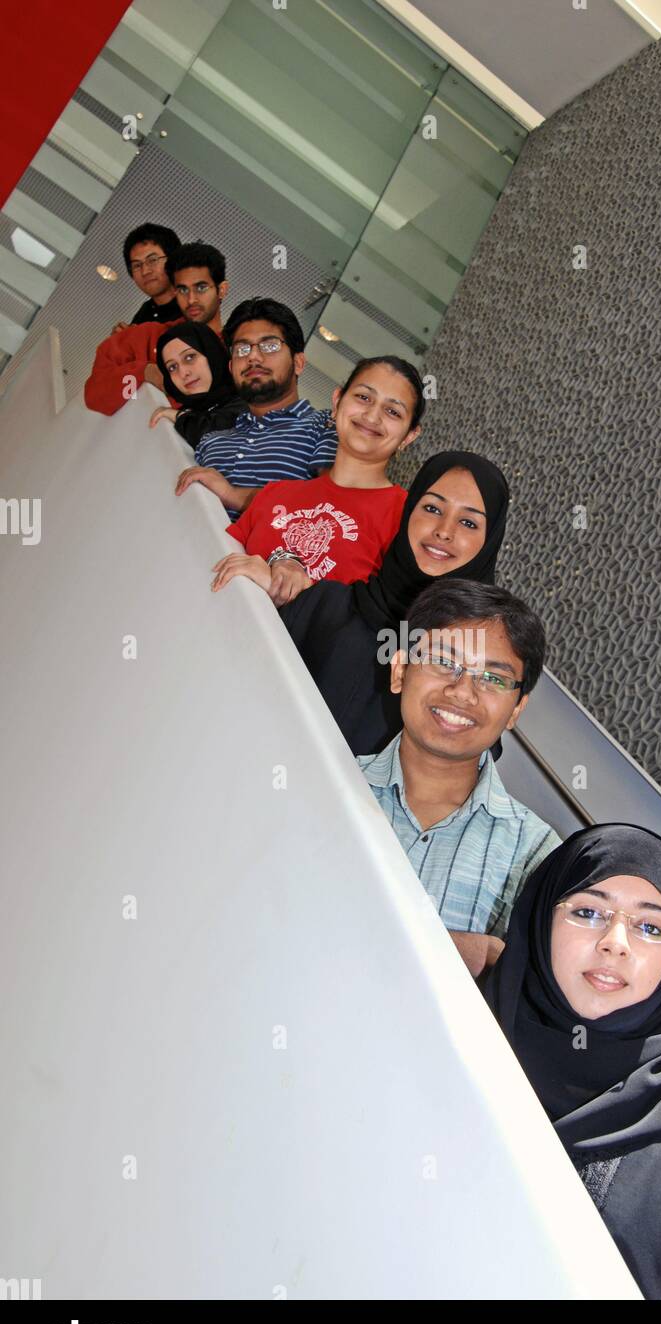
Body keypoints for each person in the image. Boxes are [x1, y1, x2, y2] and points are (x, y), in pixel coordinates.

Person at [480, 824, 661, 1301]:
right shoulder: (455, 1049)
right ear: (539, 919)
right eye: (588, 912)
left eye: (649, 927)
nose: (615, 942)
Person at [359, 579, 560, 961]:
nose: (462, 692)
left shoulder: (537, 852)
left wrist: (491, 959)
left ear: (517, 709)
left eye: (493, 678)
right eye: (443, 662)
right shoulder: (322, 784)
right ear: (400, 670)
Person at [279, 451, 509, 756]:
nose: (444, 531)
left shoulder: (478, 665)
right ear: (409, 511)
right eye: (431, 508)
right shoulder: (323, 604)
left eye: (468, 522)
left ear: (489, 541)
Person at [205, 356, 424, 599]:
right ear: (337, 400)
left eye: (393, 411)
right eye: (363, 397)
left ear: (409, 436)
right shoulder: (276, 493)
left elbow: (383, 617)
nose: (372, 416)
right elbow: (216, 567)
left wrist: (298, 587)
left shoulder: (407, 519)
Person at [175, 298, 336, 510]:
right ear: (231, 367)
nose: (253, 357)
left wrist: (231, 494)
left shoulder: (325, 426)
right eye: (242, 349)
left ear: (298, 363)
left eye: (269, 346)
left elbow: (333, 504)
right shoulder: (211, 442)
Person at [85, 241, 229, 416]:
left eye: (201, 287)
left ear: (221, 290)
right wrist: (145, 372)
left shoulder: (236, 355)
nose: (191, 299)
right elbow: (96, 395)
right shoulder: (145, 336)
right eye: (183, 290)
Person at [150, 323, 245, 450]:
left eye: (189, 357)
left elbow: (219, 438)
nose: (183, 373)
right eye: (172, 367)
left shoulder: (251, 401)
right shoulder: (185, 413)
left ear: (212, 353)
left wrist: (181, 419)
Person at [111, 222, 181, 332]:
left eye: (152, 260)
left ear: (174, 259)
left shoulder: (193, 302)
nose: (145, 271)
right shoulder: (144, 313)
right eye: (137, 265)